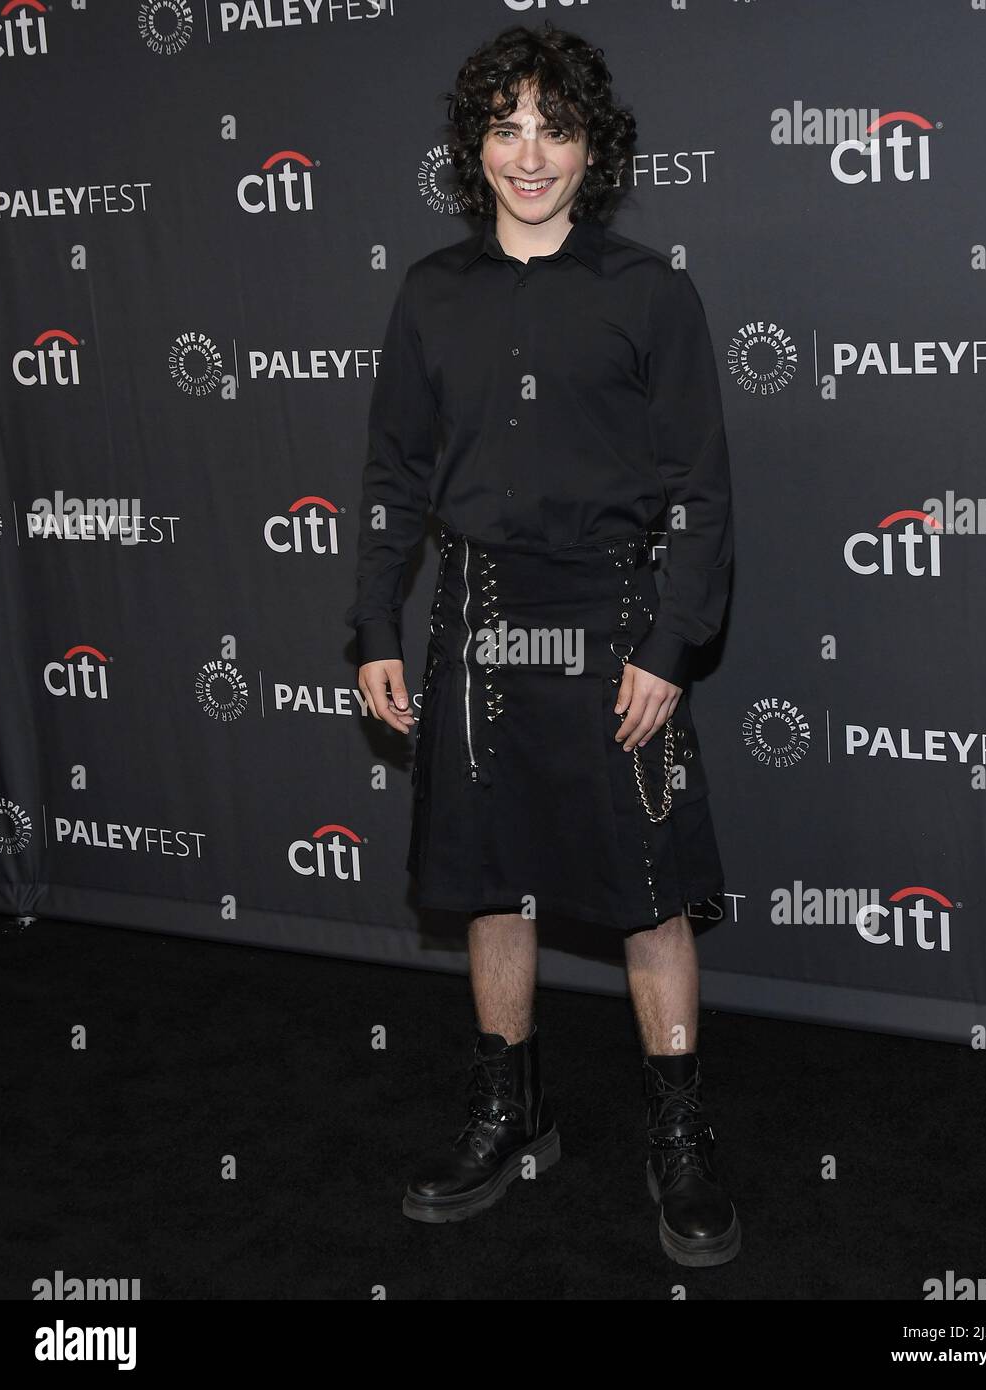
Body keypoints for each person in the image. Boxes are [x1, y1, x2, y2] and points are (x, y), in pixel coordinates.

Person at [346, 22, 739, 1268]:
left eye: (553, 129)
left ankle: (677, 1135)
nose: (529, 155)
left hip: (615, 619)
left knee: (650, 893)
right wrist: (373, 624)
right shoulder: (428, 293)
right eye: (505, 127)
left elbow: (700, 491)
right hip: (469, 621)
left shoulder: (649, 294)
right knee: (486, 878)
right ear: (474, 144)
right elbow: (392, 477)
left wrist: (669, 646)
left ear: (590, 147)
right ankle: (511, 1114)